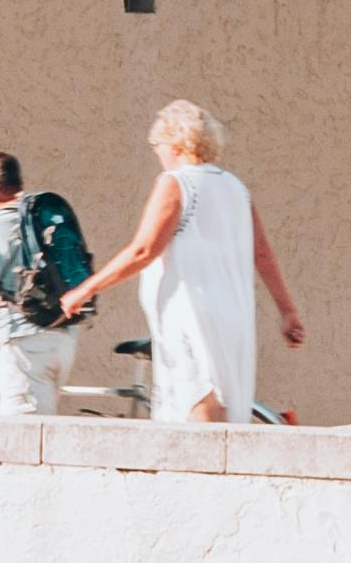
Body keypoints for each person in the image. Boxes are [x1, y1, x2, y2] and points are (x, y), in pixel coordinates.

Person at [58, 102, 300, 422]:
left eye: (156, 145)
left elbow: (143, 250)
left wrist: (86, 289)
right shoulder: (236, 189)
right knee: (225, 415)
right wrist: (287, 310)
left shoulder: (175, 182)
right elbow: (263, 254)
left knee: (197, 411)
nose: (157, 153)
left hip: (191, 316)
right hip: (235, 317)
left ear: (175, 143)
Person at [0, 151, 79, 416]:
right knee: (43, 426)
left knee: (22, 437)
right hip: (63, 338)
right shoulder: (42, 216)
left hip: (21, 343)